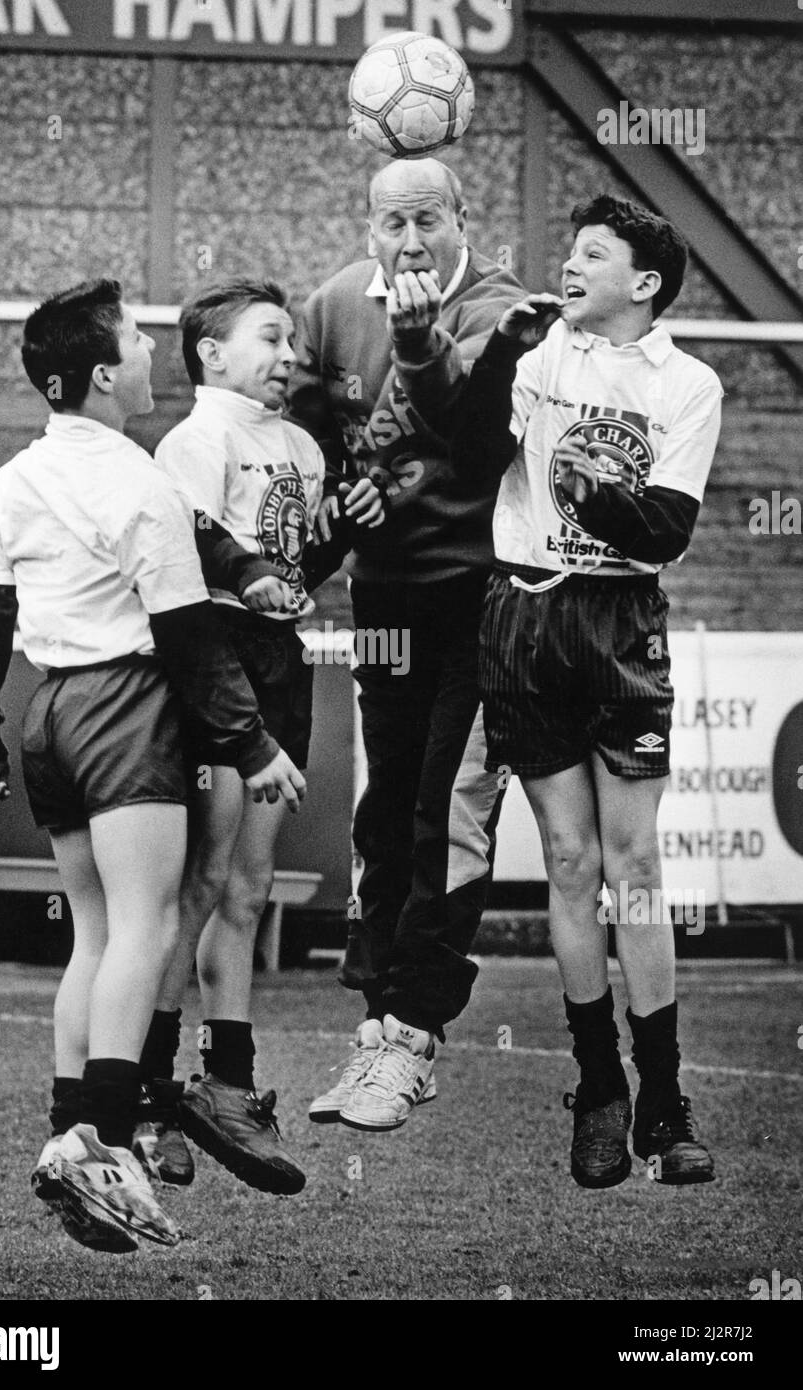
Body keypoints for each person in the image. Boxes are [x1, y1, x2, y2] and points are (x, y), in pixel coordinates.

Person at [0, 279, 304, 1253]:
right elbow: (190, 637)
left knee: (94, 936)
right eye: (139, 341)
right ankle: (106, 1138)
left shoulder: (15, 481)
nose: (156, 351)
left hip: (48, 711)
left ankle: (72, 1131)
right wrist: (254, 745)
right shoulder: (142, 480)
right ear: (104, 376)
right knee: (143, 928)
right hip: (124, 707)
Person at [452, 194, 719, 1187]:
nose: (568, 265)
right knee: (568, 861)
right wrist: (499, 351)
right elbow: (473, 455)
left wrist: (584, 490)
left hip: (619, 620)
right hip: (524, 617)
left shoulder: (688, 382)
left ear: (641, 283)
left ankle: (666, 1099)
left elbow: (662, 530)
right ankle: (598, 1083)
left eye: (591, 254)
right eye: (568, 250)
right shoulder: (539, 354)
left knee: (632, 861)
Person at [288, 157, 525, 1132]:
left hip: (480, 600)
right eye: (392, 223)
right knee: (383, 813)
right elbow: (310, 443)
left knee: (446, 810)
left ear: (465, 217)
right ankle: (379, 1022)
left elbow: (471, 446)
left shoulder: (510, 313)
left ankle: (418, 1032)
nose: (411, 239)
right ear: (369, 228)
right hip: (379, 603)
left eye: (428, 217)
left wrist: (423, 346)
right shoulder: (334, 305)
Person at [145, 277, 386, 1194]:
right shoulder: (194, 439)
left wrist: (342, 533)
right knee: (201, 880)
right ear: (211, 352)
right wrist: (253, 582)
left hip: (281, 658)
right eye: (269, 339)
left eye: (291, 343)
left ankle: (228, 1084)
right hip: (217, 655)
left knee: (249, 886)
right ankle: (149, 1091)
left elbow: (296, 564)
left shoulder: (298, 446)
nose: (289, 357)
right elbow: (197, 542)